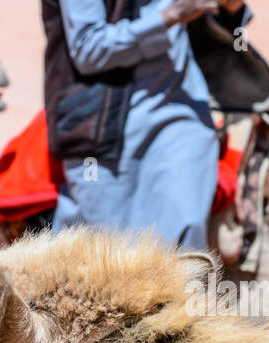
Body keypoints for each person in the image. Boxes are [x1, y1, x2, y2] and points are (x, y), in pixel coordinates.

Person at [43, 0, 250, 249]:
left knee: (186, 233)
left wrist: (231, 9)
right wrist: (168, 17)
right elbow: (88, 50)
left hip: (182, 115)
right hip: (100, 126)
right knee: (96, 253)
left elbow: (229, 39)